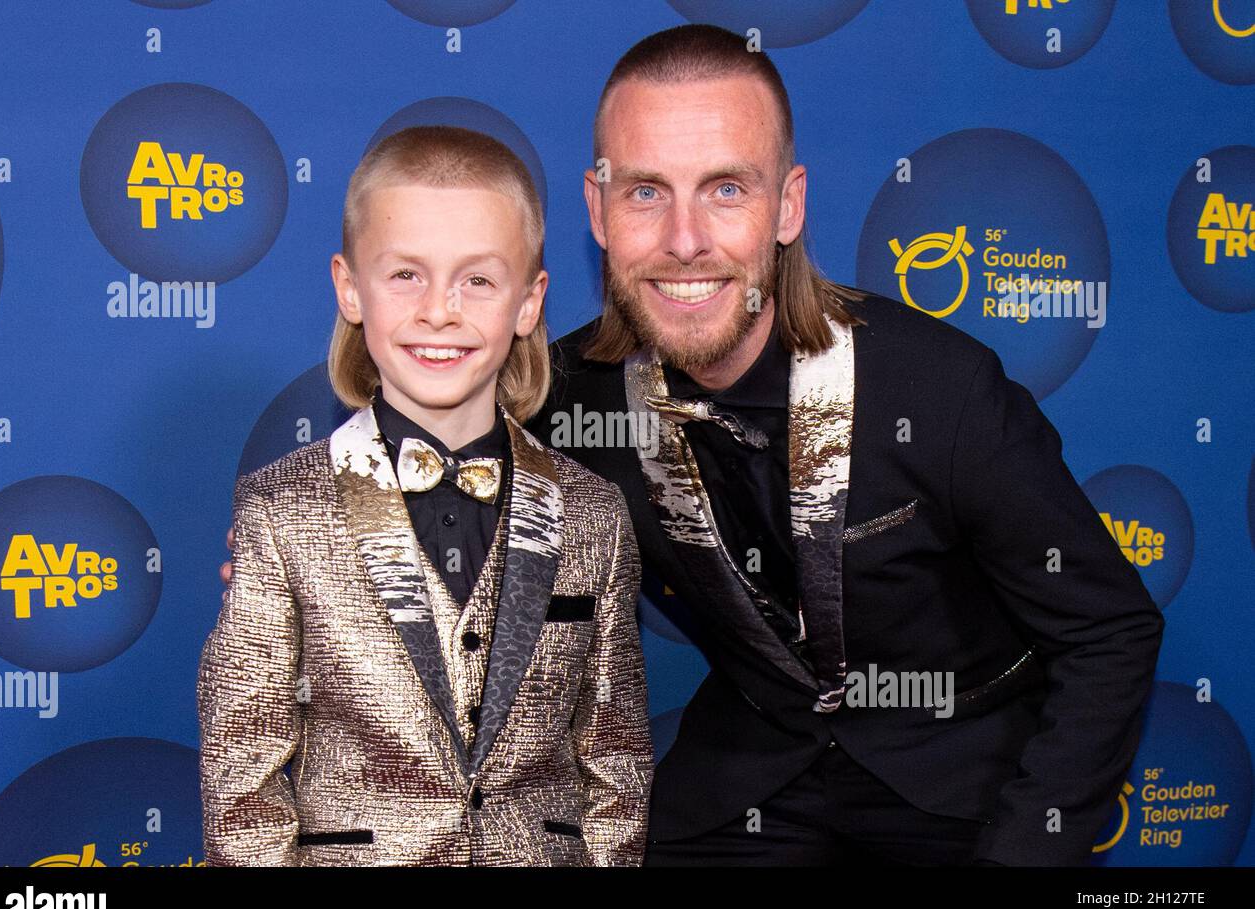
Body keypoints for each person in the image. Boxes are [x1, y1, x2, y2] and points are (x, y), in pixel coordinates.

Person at [527, 25, 1164, 866]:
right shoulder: (559, 398)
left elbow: (1109, 631)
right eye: (646, 192)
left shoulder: (936, 387)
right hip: (745, 776)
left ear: (788, 206)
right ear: (596, 208)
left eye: (726, 190)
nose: (685, 240)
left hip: (958, 778)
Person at [197, 125, 652, 866]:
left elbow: (617, 766)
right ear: (350, 287)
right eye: (406, 274)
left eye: (478, 279)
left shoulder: (592, 516)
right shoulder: (280, 511)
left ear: (529, 303)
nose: (441, 310)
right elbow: (241, 780)